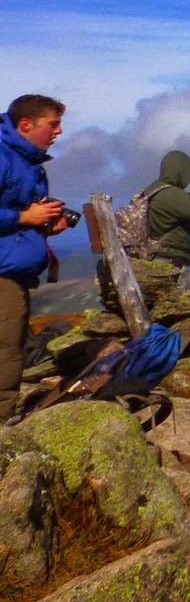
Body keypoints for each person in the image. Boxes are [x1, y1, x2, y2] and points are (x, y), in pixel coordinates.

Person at [0, 95, 68, 421]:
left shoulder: (29, 163)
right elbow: (19, 216)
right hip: (2, 272)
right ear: (25, 125)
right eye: (52, 124)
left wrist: (45, 226)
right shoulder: (4, 157)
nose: (59, 131)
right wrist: (25, 218)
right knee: (6, 353)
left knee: (11, 348)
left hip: (14, 270)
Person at [141, 150, 190, 268]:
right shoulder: (173, 193)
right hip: (169, 258)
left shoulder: (153, 189)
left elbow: (169, 209)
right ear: (180, 171)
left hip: (155, 253)